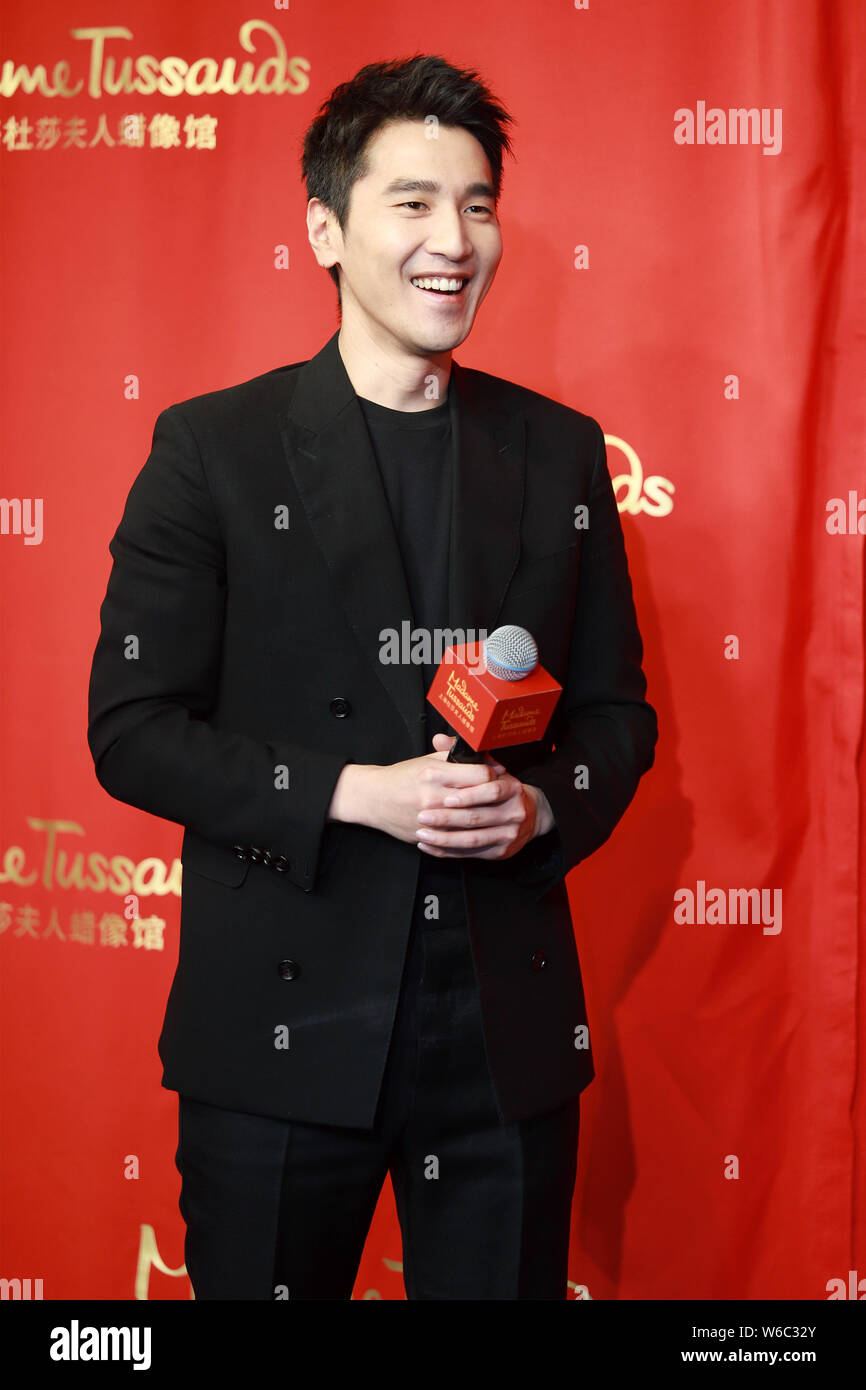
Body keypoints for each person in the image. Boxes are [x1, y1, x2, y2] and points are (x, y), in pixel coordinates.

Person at [87, 54, 658, 1300]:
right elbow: (132, 730)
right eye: (411, 203)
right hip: (281, 1045)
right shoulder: (212, 450)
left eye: (476, 204)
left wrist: (540, 804)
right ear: (325, 229)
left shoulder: (555, 451)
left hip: (501, 1045)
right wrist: (356, 791)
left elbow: (617, 711)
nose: (452, 239)